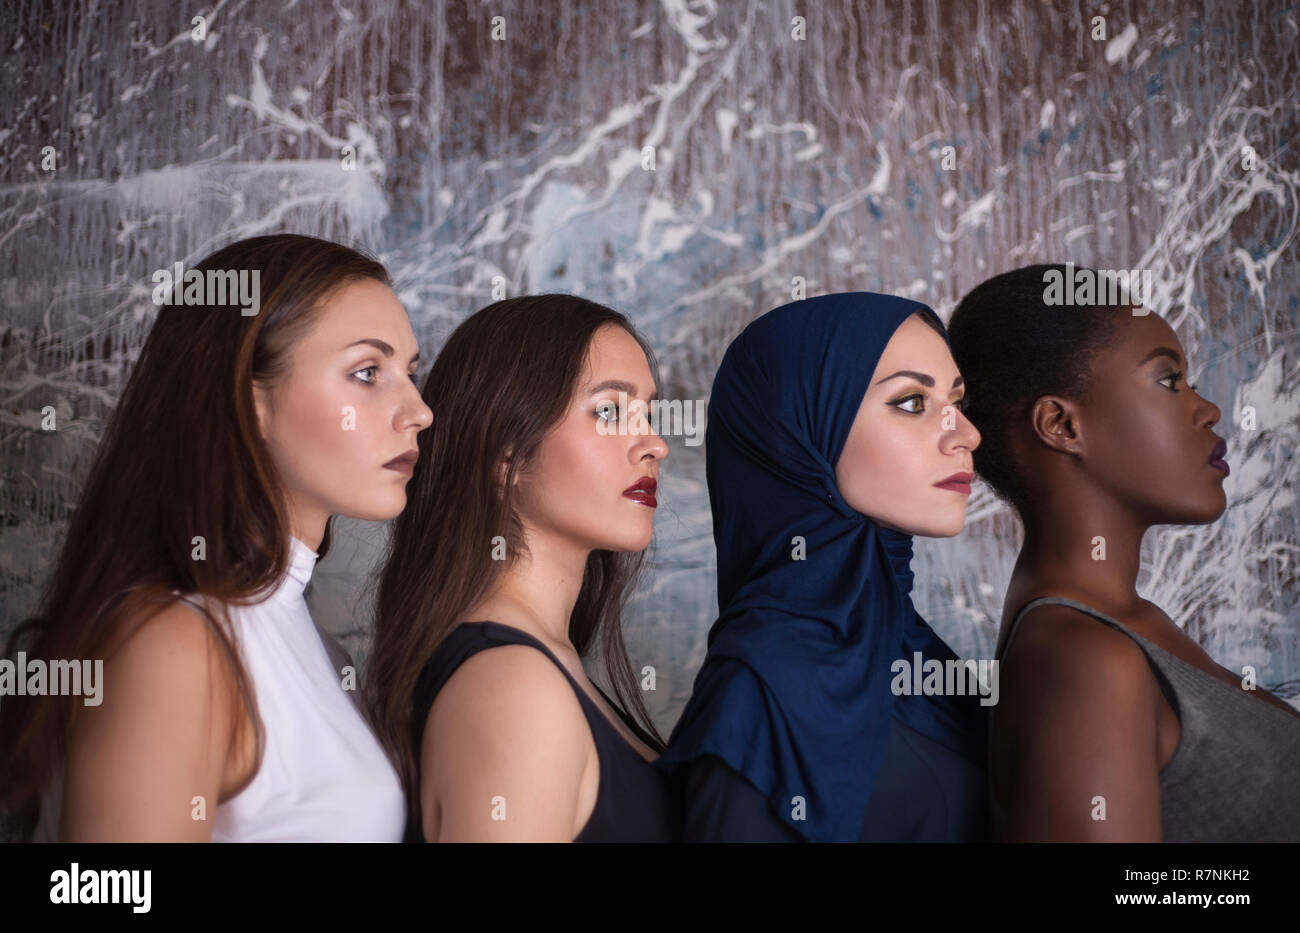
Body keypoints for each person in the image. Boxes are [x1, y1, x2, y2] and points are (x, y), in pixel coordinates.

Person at [0, 234, 431, 841]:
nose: (418, 410)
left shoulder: (324, 655)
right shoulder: (175, 647)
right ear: (249, 401)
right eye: (367, 372)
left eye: (410, 372)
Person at [948, 263, 1300, 842]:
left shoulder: (1126, 625)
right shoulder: (1084, 659)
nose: (1208, 410)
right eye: (1169, 380)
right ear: (1062, 424)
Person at [655, 292, 989, 842]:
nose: (967, 435)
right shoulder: (762, 680)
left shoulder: (903, 640)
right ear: (800, 429)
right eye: (911, 402)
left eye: (958, 400)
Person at [369, 294, 675, 842]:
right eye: (609, 411)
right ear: (506, 452)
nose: (654, 443)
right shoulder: (512, 686)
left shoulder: (541, 664)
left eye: (647, 413)